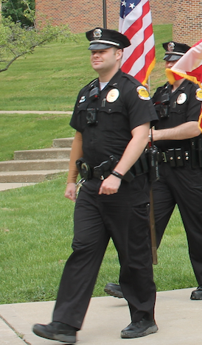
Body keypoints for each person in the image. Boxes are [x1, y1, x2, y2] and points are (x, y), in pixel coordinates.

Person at [33, 28, 158, 343]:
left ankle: (143, 318)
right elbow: (79, 138)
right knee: (82, 250)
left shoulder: (133, 90)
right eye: (92, 51)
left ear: (118, 55)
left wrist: (117, 174)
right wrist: (71, 179)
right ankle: (64, 324)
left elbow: (141, 136)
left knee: (133, 256)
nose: (96, 55)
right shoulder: (87, 92)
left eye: (102, 51)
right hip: (91, 188)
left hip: (126, 187)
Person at [105, 41, 202, 303]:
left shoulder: (197, 91)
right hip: (161, 170)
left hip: (190, 170)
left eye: (175, 61)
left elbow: (194, 128)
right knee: (146, 226)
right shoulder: (159, 93)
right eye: (167, 61)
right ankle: (133, 282)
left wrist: (153, 135)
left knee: (196, 226)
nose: (169, 65)